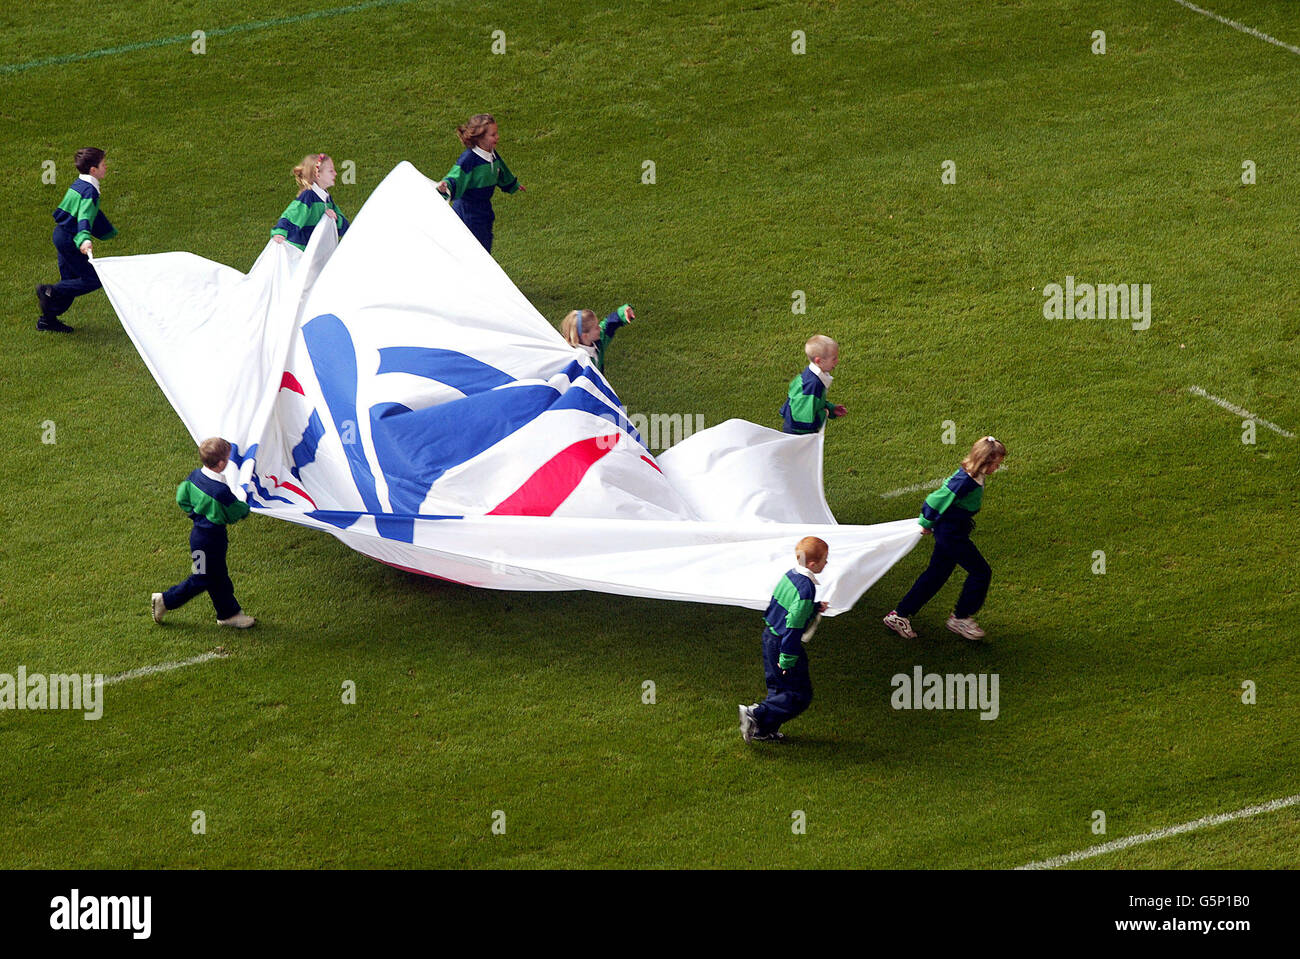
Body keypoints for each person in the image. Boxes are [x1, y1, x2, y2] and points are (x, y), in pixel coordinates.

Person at [883, 436, 1007, 641]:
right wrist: (926, 522)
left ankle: (900, 615)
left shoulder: (972, 475)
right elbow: (934, 500)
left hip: (952, 531)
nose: (997, 467)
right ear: (984, 461)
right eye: (996, 463)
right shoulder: (965, 481)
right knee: (981, 572)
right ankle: (960, 617)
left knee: (936, 575)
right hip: (951, 534)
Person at [151, 438, 256, 628]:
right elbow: (235, 513)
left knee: (219, 575)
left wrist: (197, 515)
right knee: (202, 578)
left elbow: (182, 498)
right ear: (222, 463)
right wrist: (245, 506)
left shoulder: (194, 477)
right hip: (212, 541)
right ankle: (166, 600)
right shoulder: (220, 492)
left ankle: (228, 613)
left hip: (199, 537)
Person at [739, 536, 830, 743]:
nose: (827, 563)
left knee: (778, 688)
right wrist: (787, 658)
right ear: (813, 564)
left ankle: (763, 730)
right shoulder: (807, 589)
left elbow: (785, 606)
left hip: (769, 636)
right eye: (825, 560)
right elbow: (794, 625)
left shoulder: (790, 575)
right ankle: (757, 713)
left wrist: (814, 607)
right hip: (784, 644)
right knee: (799, 694)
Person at [36, 147, 117, 333]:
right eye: (103, 164)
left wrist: (107, 231)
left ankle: (47, 321)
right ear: (93, 170)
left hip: (61, 234)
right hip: (70, 240)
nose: (106, 167)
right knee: (93, 279)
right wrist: (84, 239)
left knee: (70, 283)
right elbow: (85, 216)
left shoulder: (79, 184)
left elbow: (85, 212)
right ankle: (50, 291)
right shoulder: (90, 191)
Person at [434, 113, 524, 253]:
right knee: (475, 250)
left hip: (483, 210)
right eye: (493, 135)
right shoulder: (469, 159)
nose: (497, 137)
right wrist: (446, 186)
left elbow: (501, 170)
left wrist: (512, 184)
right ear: (480, 138)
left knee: (484, 244)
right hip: (468, 212)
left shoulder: (492, 154)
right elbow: (456, 175)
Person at [270, 153, 348, 250]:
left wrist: (336, 219)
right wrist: (279, 232)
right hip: (301, 253)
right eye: (331, 171)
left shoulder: (327, 198)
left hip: (315, 253)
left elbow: (345, 228)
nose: (335, 173)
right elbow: (291, 215)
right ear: (318, 174)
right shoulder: (308, 196)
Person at [780, 335, 847, 434]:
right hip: (800, 434)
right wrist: (825, 413)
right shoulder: (813, 384)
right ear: (819, 361)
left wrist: (831, 408)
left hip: (797, 430)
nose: (837, 361)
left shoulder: (811, 375)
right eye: (834, 359)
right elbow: (805, 420)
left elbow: (814, 403)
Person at [559, 304, 635, 373]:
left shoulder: (597, 342)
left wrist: (623, 312)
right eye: (596, 327)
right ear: (585, 335)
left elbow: (609, 324)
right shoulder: (574, 360)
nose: (600, 328)